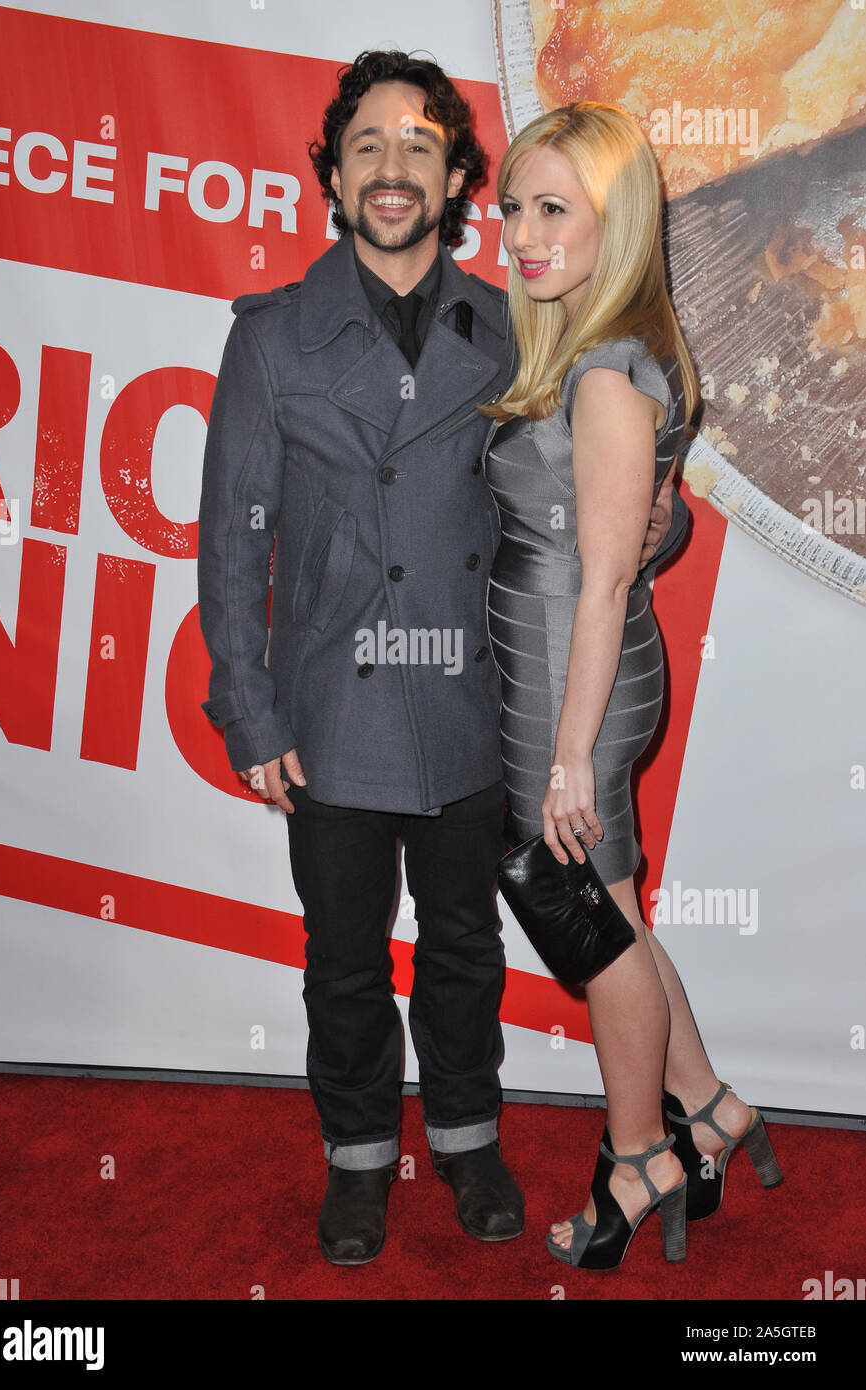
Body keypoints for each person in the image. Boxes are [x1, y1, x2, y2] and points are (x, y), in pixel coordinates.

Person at [197, 53, 684, 1266]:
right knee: (344, 957)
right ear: (332, 174)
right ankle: (359, 1158)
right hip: (329, 706)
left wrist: (656, 519)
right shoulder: (268, 340)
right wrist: (250, 715)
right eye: (365, 146)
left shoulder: (513, 325)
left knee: (465, 944)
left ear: (458, 174)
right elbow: (227, 541)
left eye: (418, 145)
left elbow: (582, 487)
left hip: (477, 696)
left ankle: (468, 1140)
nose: (392, 167)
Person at [480, 102, 782, 1269]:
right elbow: (632, 532)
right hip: (571, 675)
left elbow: (602, 581)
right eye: (513, 207)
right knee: (617, 918)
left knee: (594, 931)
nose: (520, 234)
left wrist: (566, 756)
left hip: (575, 685)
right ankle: (709, 1107)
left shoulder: (604, 370)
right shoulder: (599, 343)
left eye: (553, 209)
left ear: (618, 220)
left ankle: (638, 1152)